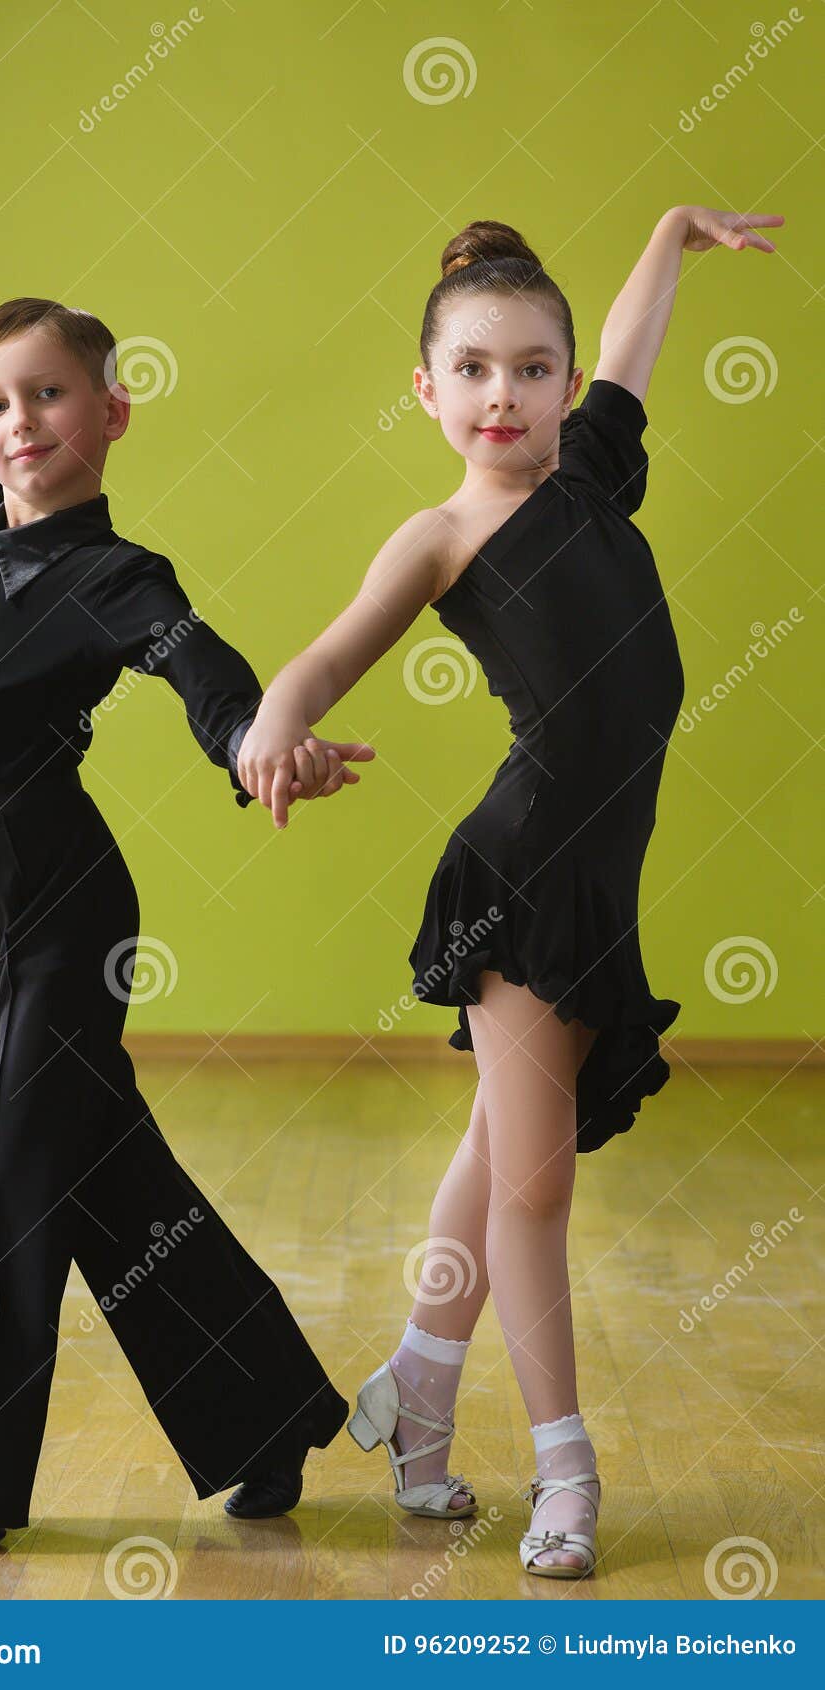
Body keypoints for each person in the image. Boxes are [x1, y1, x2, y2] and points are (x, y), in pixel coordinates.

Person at [0, 156, 374, 1554]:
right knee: (99, 1166)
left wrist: (261, 734)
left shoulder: (109, 575)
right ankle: (262, 1415)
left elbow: (197, 664)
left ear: (111, 413)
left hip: (62, 900)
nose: (14, 423)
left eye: (47, 397)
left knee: (22, 1176)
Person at [237, 206, 783, 1577]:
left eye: (533, 367)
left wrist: (669, 234)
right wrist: (269, 734)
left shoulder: (593, 477)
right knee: (535, 1187)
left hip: (597, 875)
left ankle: (416, 1398)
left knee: (496, 1156)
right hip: (523, 871)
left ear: (561, 382)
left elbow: (637, 343)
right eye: (474, 369)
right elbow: (318, 662)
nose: (505, 394)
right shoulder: (438, 538)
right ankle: (567, 1470)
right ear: (427, 388)